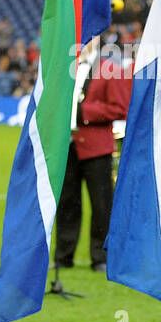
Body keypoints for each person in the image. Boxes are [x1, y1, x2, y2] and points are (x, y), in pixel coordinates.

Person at [54, 38, 132, 273]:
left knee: (101, 204)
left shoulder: (112, 69)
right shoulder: (64, 66)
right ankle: (63, 256)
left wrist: (82, 112)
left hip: (97, 147)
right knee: (67, 203)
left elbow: (120, 108)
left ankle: (100, 258)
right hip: (66, 146)